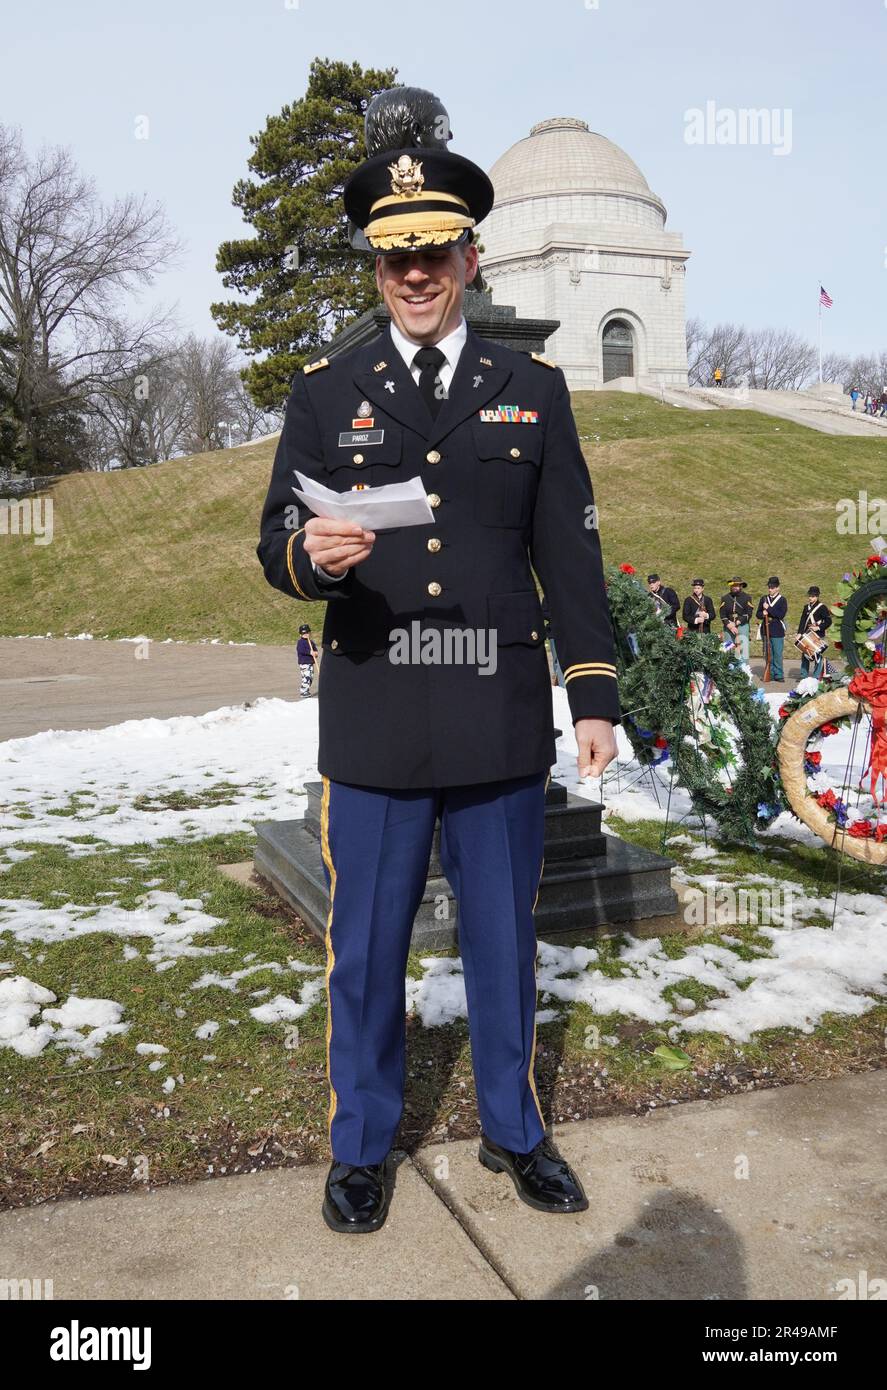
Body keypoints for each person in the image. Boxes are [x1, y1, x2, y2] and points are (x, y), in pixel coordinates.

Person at [256, 87, 620, 1234]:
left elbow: (569, 550)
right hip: (370, 716)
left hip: (494, 715)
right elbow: (274, 540)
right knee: (364, 950)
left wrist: (592, 692)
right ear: (374, 270)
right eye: (392, 259)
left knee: (505, 943)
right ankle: (362, 1142)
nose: (415, 277)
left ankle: (513, 1129)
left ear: (467, 256)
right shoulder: (322, 397)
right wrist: (308, 557)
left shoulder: (533, 392)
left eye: (433, 254)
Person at [756, 576, 787, 681]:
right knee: (768, 653)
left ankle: (778, 674)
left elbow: (780, 615)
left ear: (778, 588)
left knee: (777, 653)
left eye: (773, 587)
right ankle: (771, 673)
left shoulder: (782, 600)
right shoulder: (764, 599)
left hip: (777, 630)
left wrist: (768, 608)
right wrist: (762, 613)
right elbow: (758, 614)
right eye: (769, 587)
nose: (770, 589)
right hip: (766, 629)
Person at [796, 585, 832, 679]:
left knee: (817, 656)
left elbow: (828, 621)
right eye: (810, 596)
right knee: (805, 654)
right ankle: (804, 675)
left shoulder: (822, 607)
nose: (810, 598)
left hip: (818, 635)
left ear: (817, 596)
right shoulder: (806, 607)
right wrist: (799, 633)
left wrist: (819, 628)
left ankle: (816, 676)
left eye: (812, 596)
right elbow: (802, 621)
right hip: (807, 634)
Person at [719, 576, 753, 665]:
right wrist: (729, 624)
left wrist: (737, 622)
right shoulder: (725, 598)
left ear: (741, 586)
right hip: (728, 627)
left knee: (743, 651)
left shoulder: (747, 597)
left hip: (742, 625)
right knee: (727, 650)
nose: (734, 587)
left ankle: (744, 672)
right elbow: (722, 614)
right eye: (733, 585)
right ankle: (728, 672)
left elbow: (748, 614)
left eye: (737, 585)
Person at [296, 623, 319, 698]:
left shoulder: (311, 642)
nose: (306, 634)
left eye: (307, 633)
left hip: (310, 663)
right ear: (300, 635)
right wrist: (310, 652)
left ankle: (307, 690)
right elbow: (301, 650)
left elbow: (315, 649)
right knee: (306, 676)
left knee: (311, 677)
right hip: (304, 663)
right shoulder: (300, 642)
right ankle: (303, 691)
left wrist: (315, 653)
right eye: (304, 633)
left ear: (309, 633)